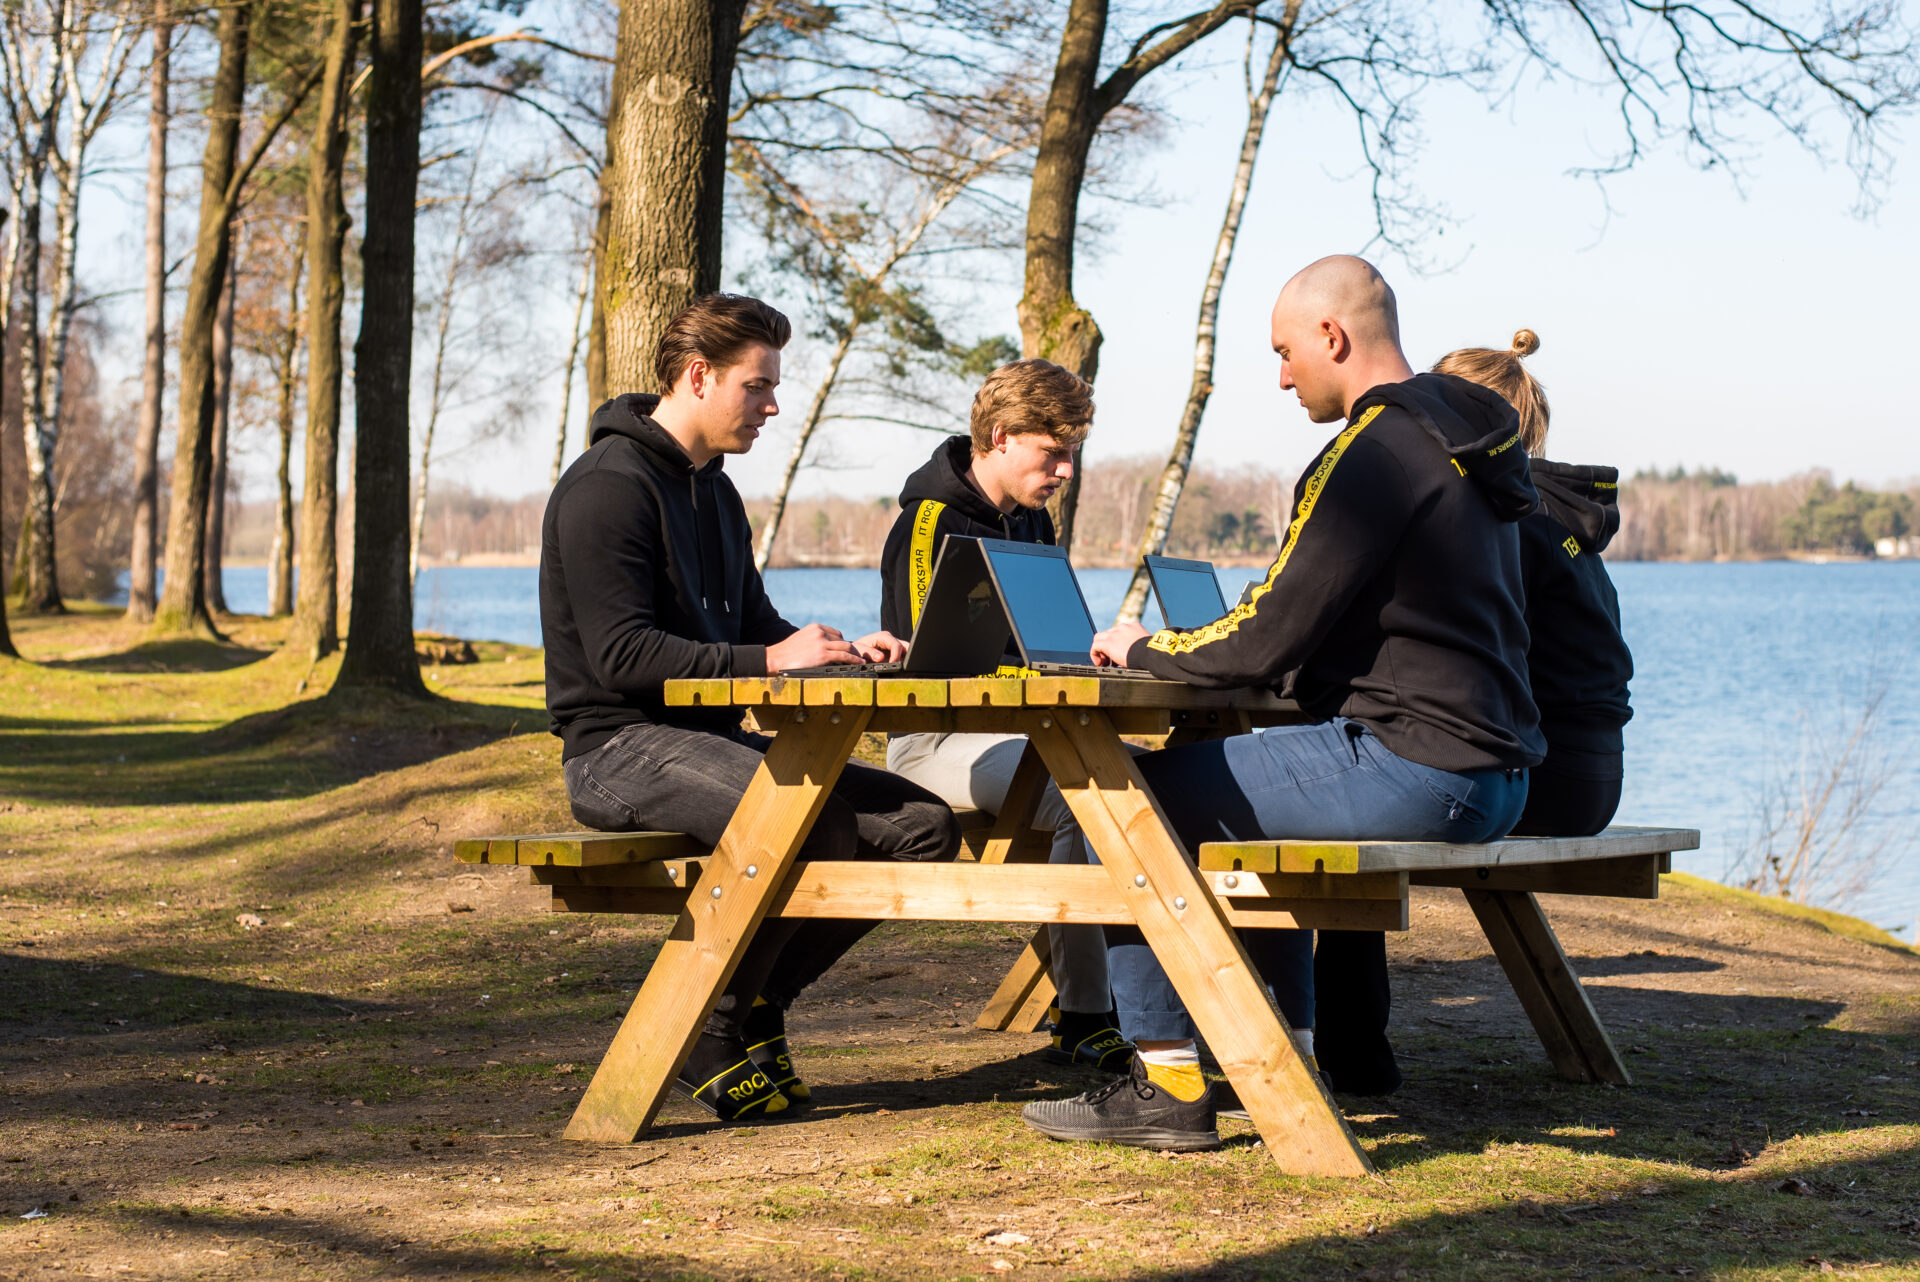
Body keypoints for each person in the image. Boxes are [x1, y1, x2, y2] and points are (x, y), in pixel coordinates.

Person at [1020, 255, 1545, 1152]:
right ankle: (1280, 1062)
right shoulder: (1463, 447)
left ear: (1332, 337)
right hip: (1494, 775)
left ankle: (1164, 1084)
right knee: (1233, 812)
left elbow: (1265, 632)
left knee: (1116, 804)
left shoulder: (1373, 455)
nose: (1282, 376)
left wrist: (1142, 647)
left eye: (1284, 351)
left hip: (1415, 763)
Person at [541, 293, 961, 1124]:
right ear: (699, 377)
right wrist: (771, 660)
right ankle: (710, 1028)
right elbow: (622, 656)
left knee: (923, 824)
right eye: (757, 386)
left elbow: (757, 629)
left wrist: (836, 650)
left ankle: (757, 1004)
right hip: (616, 749)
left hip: (710, 740)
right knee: (814, 823)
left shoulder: (716, 494)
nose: (772, 406)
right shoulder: (607, 487)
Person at [1309, 331, 1638, 1098]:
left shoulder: (1504, 524)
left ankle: (1349, 1050)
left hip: (1541, 774)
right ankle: (1348, 1047)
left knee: (1347, 811)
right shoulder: (1557, 520)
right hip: (1589, 772)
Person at [879, 358, 1134, 1073]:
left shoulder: (1033, 521)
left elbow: (1047, 641)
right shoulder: (929, 522)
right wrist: (1044, 673)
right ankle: (1086, 1015)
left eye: (1071, 453)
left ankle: (1155, 1002)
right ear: (999, 437)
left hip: (1026, 735)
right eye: (1053, 453)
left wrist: (1094, 659)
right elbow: (937, 673)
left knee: (1146, 781)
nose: (1066, 471)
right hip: (935, 742)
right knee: (1087, 800)